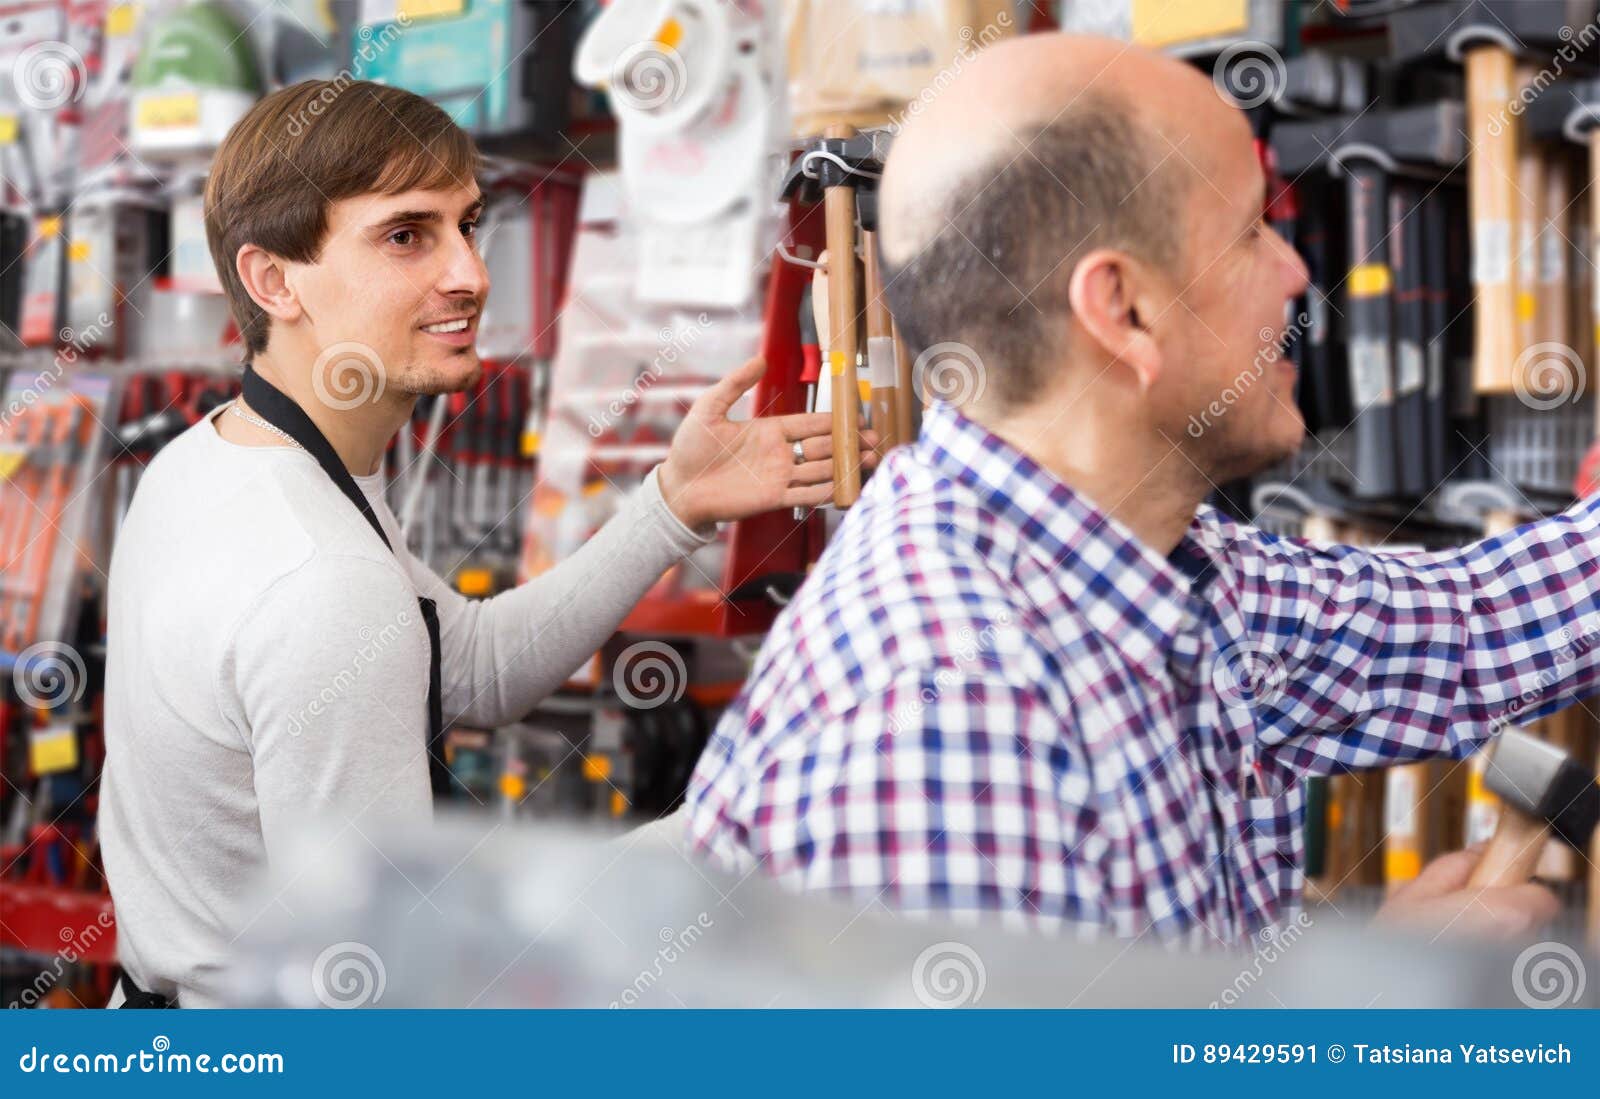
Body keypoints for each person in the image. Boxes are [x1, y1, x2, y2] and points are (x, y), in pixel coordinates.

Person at [684, 34, 1573, 944]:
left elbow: (1470, 627)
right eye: (1249, 233)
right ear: (1124, 309)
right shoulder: (953, 727)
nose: (1298, 272)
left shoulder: (1155, 562)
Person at [99, 80, 877, 1007]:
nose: (469, 273)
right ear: (275, 280)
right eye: (406, 236)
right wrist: (722, 829)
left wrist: (673, 503)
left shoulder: (214, 457)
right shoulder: (322, 583)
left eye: (469, 223)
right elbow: (394, 981)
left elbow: (468, 665)